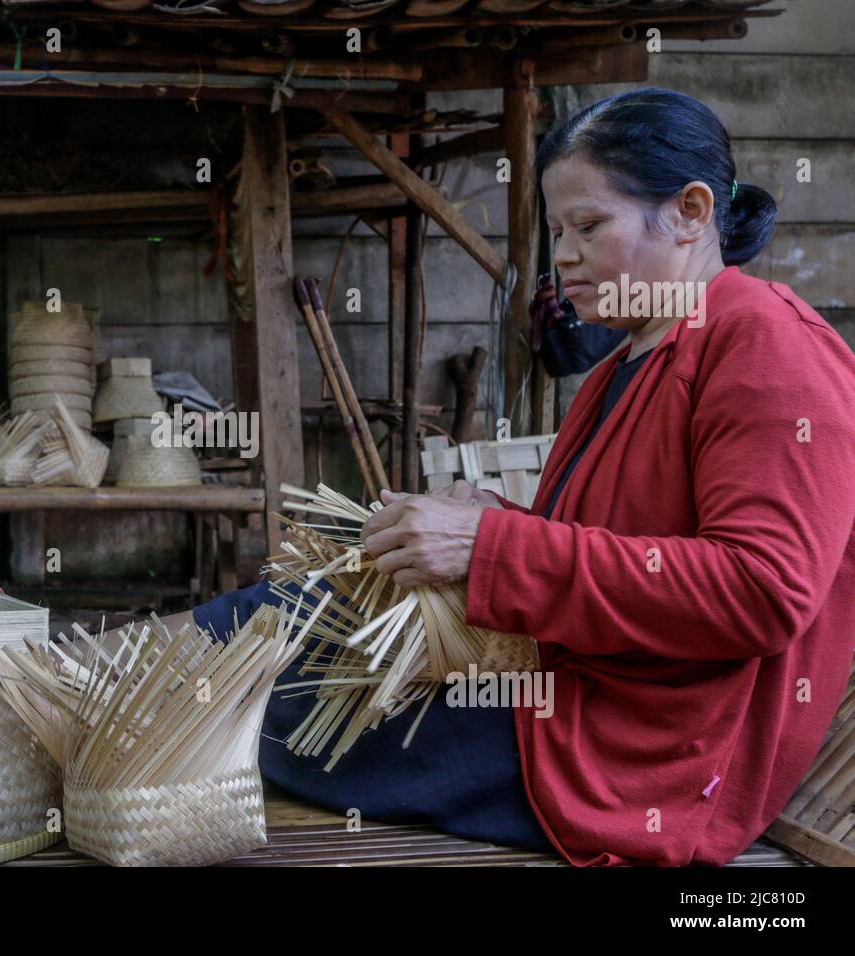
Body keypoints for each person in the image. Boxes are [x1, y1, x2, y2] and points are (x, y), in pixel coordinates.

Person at [186, 88, 855, 866]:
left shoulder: (769, 342)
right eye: (558, 231)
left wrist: (491, 545)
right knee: (292, 614)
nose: (562, 255)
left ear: (692, 211)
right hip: (566, 688)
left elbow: (761, 591)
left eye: (589, 226)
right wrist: (487, 516)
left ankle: (86, 701)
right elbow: (602, 546)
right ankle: (66, 676)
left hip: (638, 755)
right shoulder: (622, 365)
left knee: (269, 702)